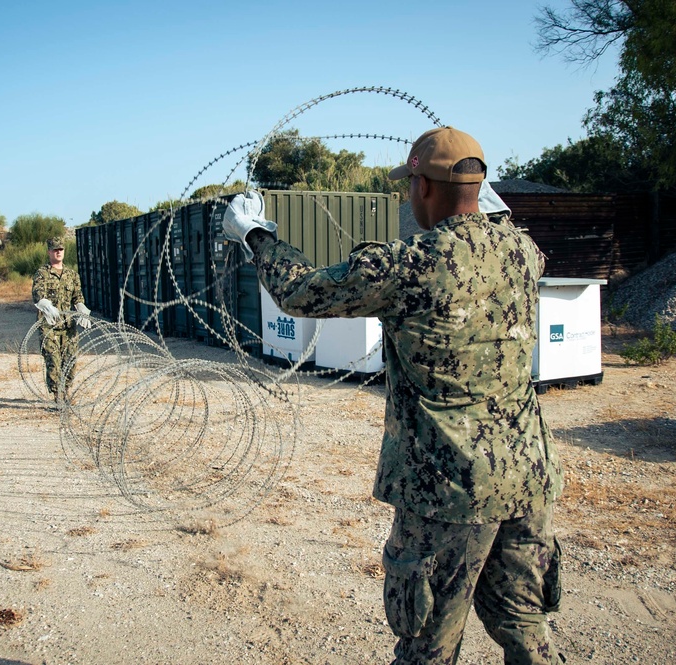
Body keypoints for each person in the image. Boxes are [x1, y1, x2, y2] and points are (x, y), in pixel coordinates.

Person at [223, 127, 563, 665]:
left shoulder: (411, 264)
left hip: (449, 488)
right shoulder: (522, 251)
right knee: (525, 626)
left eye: (410, 184)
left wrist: (254, 234)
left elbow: (301, 290)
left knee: (428, 644)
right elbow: (509, 239)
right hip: (527, 475)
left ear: (423, 187)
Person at [32, 237, 89, 402]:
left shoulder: (72, 275)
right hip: (49, 325)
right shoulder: (42, 273)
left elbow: (77, 297)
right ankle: (58, 395)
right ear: (49, 252)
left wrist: (82, 308)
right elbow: (37, 293)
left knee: (70, 360)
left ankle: (66, 390)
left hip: (68, 325)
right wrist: (45, 304)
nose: (58, 252)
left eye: (60, 249)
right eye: (55, 250)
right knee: (53, 360)